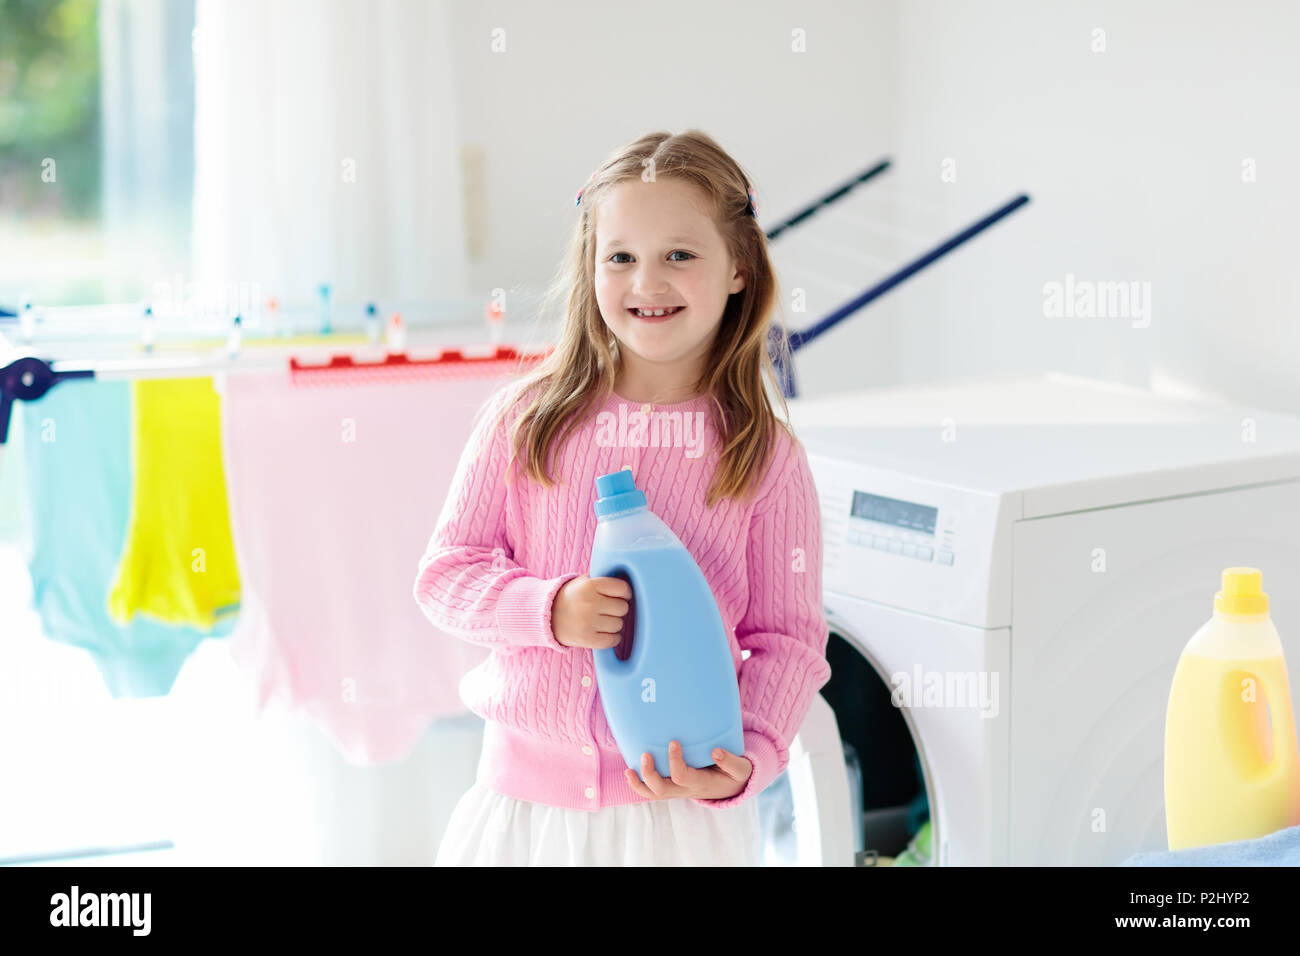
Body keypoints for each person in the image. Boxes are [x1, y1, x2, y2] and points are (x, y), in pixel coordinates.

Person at [413, 129, 832, 866]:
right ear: (591, 266)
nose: (647, 282)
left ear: (738, 267)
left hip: (678, 823)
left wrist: (755, 753)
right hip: (523, 814)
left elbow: (787, 641)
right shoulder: (526, 419)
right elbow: (446, 575)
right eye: (622, 257)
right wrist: (548, 609)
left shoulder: (763, 457)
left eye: (679, 254)